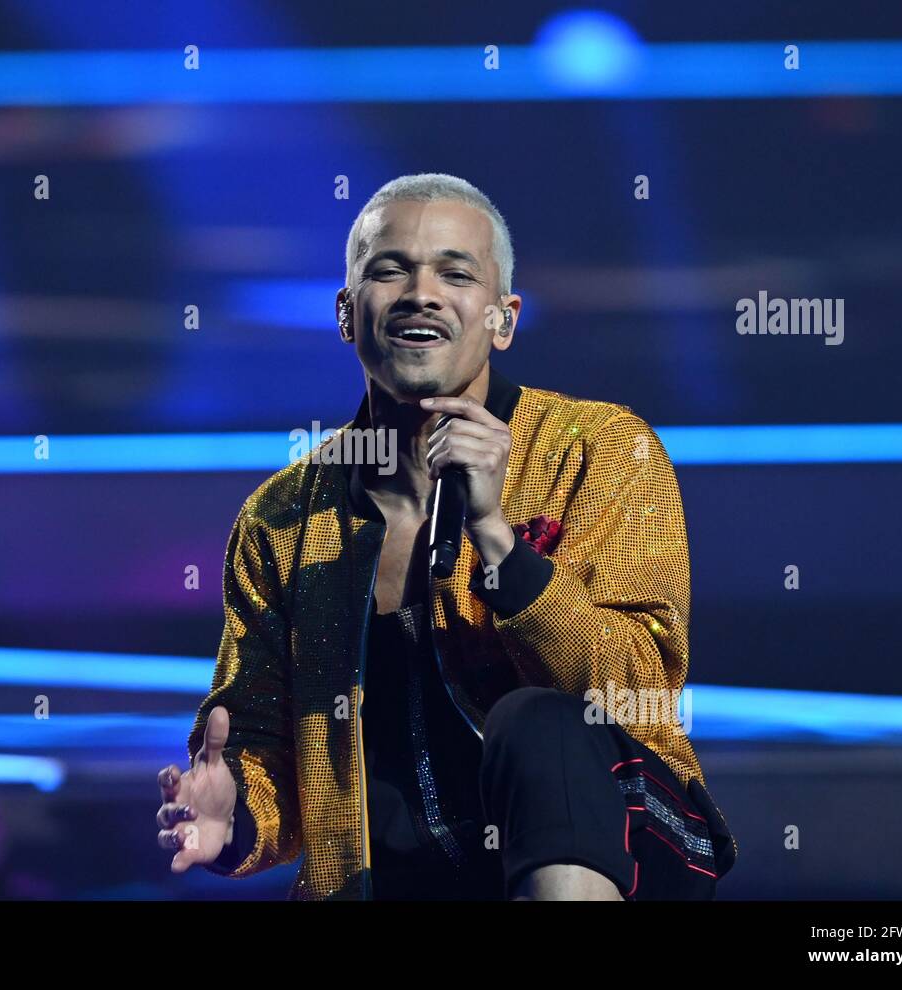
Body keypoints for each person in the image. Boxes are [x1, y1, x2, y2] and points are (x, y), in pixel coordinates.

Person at [155, 173, 737, 900]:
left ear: (503, 318)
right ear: (346, 312)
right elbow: (265, 756)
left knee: (539, 724)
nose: (420, 293)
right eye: (388, 270)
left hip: (630, 844)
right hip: (397, 884)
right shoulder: (282, 520)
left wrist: (497, 541)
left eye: (455, 273)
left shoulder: (601, 449)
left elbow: (637, 693)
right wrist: (232, 816)